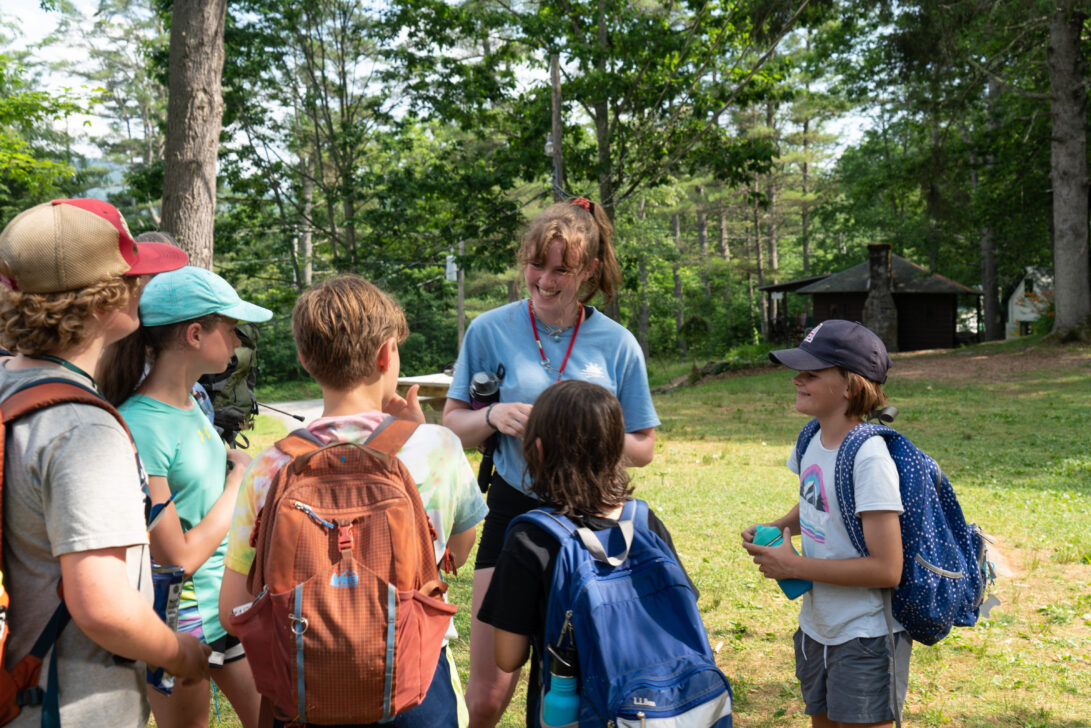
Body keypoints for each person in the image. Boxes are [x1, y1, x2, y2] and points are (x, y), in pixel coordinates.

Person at [218, 275, 487, 728]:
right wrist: (415, 433)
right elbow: (454, 553)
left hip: (306, 690)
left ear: (305, 360)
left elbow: (232, 610)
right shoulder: (438, 447)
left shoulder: (270, 466)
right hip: (415, 684)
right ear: (387, 354)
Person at [443, 197, 659, 728]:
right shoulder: (488, 330)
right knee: (489, 696)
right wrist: (493, 416)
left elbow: (643, 447)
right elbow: (452, 425)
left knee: (575, 689)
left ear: (588, 270)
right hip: (514, 513)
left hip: (595, 519)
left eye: (562, 269)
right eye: (536, 265)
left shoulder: (618, 344)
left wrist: (584, 430)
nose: (544, 280)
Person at [0, 198, 210, 726]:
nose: (140, 288)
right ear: (99, 302)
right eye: (131, 278)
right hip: (69, 704)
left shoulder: (9, 387)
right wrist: (183, 654)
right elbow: (103, 606)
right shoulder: (82, 427)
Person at [101, 266, 271, 728]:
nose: (238, 340)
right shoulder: (141, 423)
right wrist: (238, 487)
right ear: (195, 334)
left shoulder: (191, 402)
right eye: (231, 328)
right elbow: (176, 556)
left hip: (227, 607)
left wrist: (233, 468)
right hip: (182, 618)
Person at [477, 380, 691, 727]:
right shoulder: (644, 520)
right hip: (655, 706)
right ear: (616, 449)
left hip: (573, 711)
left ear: (539, 450)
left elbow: (507, 657)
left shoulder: (530, 537)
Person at [741, 319, 909, 728]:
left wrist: (794, 567)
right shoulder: (812, 438)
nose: (797, 378)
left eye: (812, 373)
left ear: (850, 385)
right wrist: (779, 527)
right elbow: (818, 501)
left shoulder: (870, 458)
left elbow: (888, 568)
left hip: (864, 633)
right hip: (818, 627)